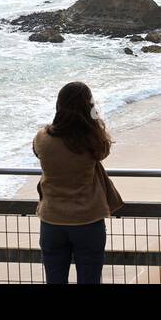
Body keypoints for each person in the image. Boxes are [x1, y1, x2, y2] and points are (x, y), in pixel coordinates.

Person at [33, 81, 122, 284]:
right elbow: (104, 151)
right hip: (87, 220)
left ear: (59, 105)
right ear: (88, 107)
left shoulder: (42, 138)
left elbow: (37, 152)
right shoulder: (91, 139)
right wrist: (94, 118)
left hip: (52, 221)